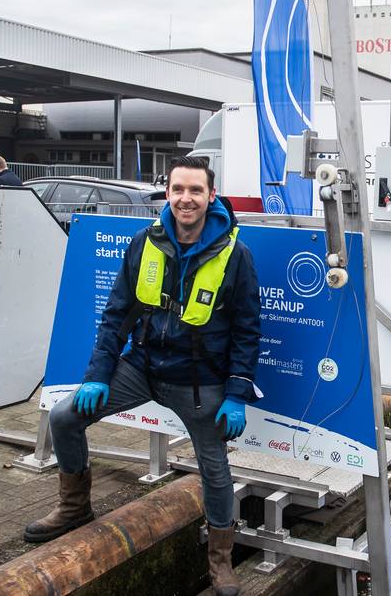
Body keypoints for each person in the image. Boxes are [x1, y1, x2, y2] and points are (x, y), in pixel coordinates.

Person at [24, 156, 261, 596]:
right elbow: (116, 314)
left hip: (198, 380)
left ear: (211, 196)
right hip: (142, 366)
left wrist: (236, 393)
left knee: (214, 468)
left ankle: (221, 560)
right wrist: (98, 374)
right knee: (63, 417)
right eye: (178, 189)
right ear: (166, 193)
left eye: (195, 190)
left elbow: (247, 331)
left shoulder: (235, 255)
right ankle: (74, 509)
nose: (186, 199)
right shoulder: (144, 242)